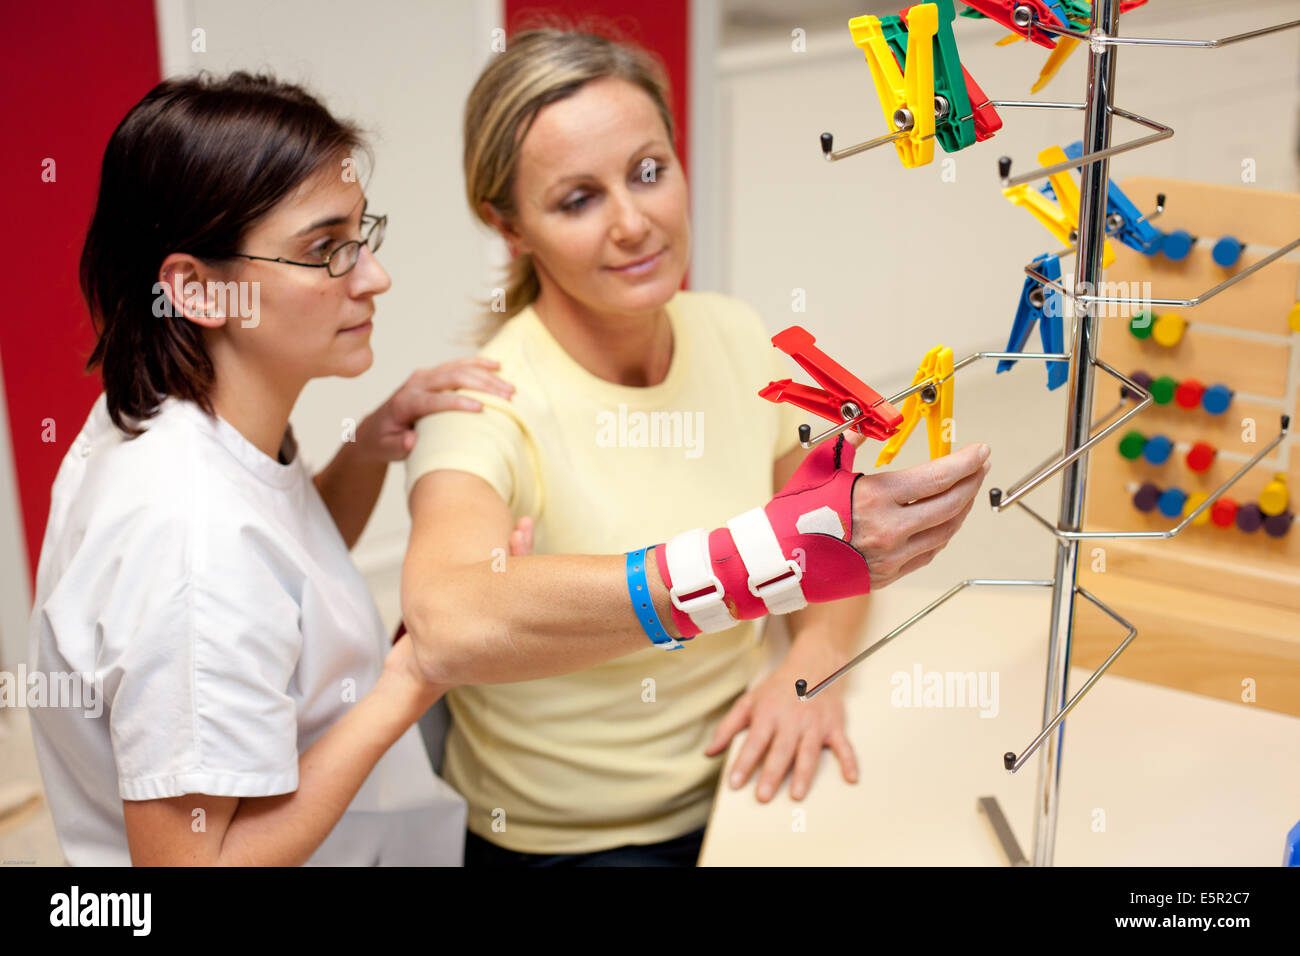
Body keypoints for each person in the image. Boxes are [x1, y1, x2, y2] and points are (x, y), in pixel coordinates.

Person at [400, 27, 992, 867]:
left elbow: (825, 536)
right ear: (508, 225)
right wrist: (750, 560)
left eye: (648, 172)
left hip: (744, 785)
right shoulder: (481, 400)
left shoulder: (735, 333)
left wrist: (810, 666)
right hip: (577, 842)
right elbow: (444, 620)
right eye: (577, 200)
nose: (634, 224)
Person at [27, 71, 522, 866]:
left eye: (363, 236)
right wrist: (417, 674)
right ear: (195, 289)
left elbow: (282, 569)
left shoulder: (178, 416)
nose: (374, 276)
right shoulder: (188, 544)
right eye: (325, 250)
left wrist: (368, 445)